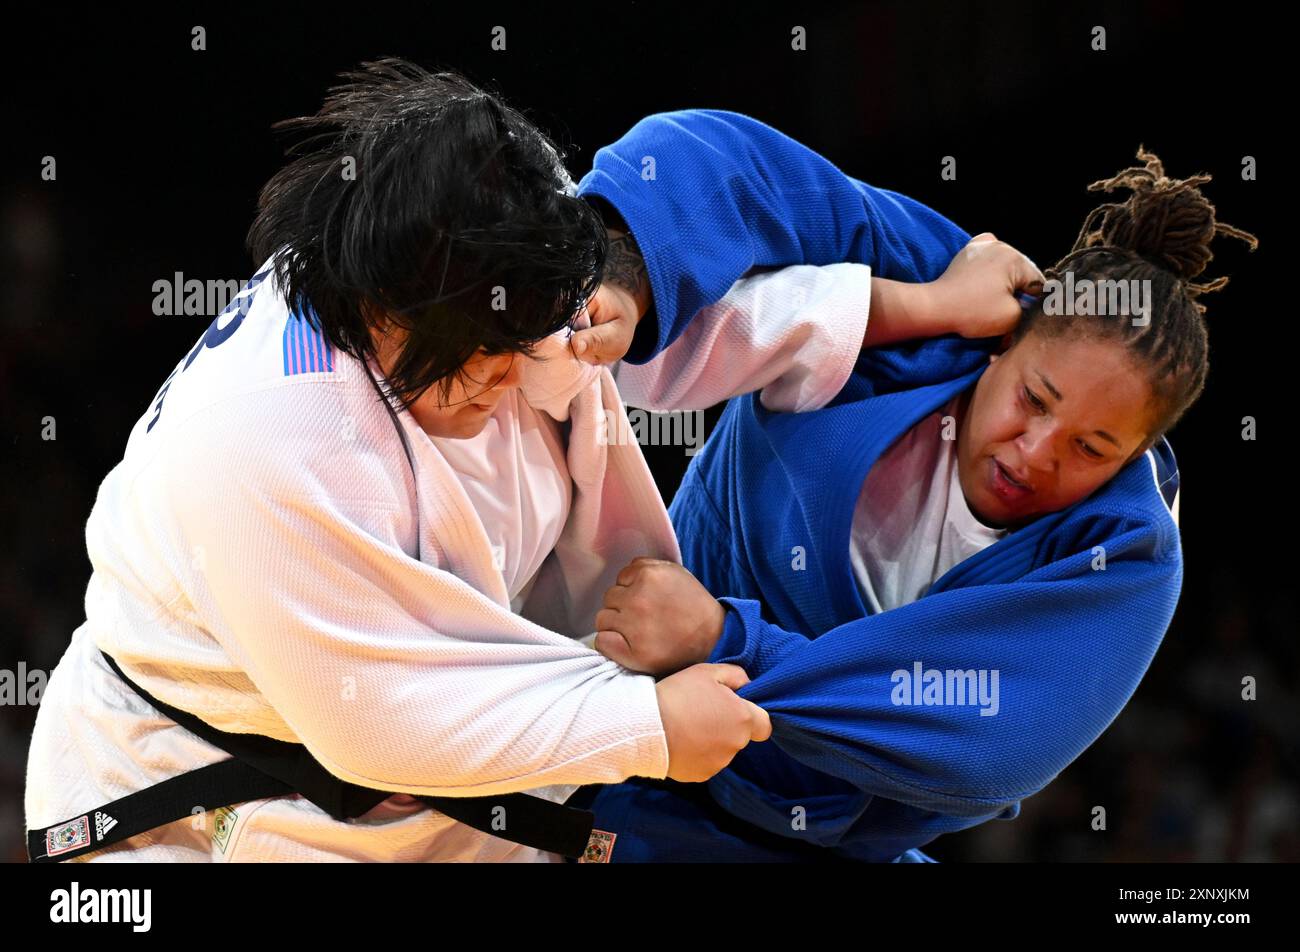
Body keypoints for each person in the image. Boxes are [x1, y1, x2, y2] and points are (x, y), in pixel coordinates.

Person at [23, 60, 783, 864]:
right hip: (190, 791)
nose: (508, 376)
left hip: (413, 776)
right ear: (380, 316)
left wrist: (621, 284)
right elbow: (379, 719)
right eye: (483, 357)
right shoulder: (269, 439)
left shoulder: (497, 244)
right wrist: (644, 729)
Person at [563, 110, 1258, 861]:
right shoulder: (947, 290)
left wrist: (730, 641)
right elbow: (724, 161)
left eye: (1090, 448)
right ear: (1006, 344)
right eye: (1034, 399)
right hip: (633, 707)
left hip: (820, 834)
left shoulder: (1125, 555)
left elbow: (985, 747)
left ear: (1132, 457)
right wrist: (627, 267)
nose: (1034, 454)